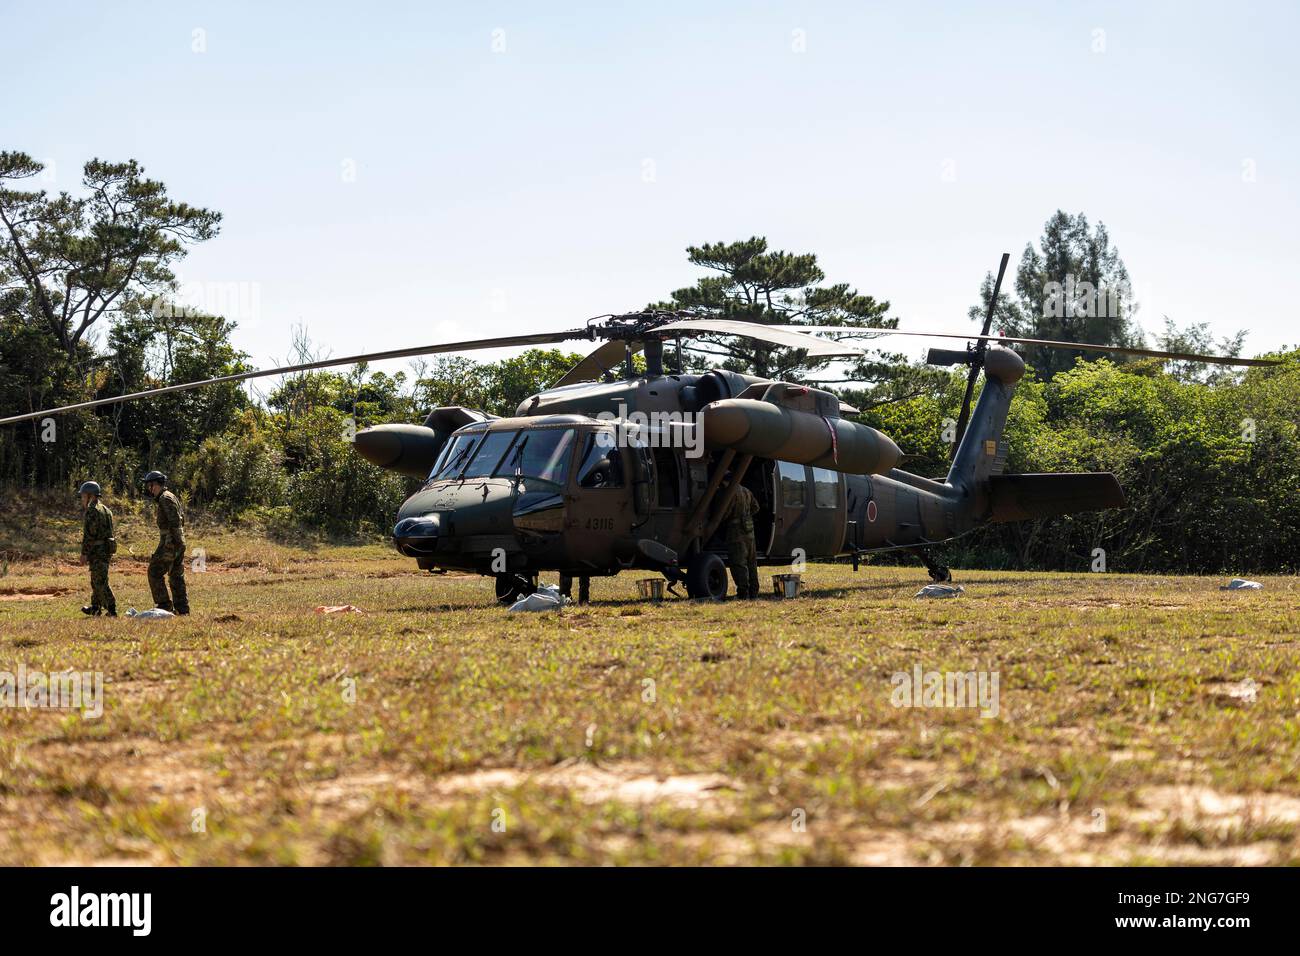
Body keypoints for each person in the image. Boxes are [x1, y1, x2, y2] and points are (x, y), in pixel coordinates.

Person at [142, 470, 190, 614]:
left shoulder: (164, 498)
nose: (148, 489)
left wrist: (172, 545)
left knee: (154, 571)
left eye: (148, 485)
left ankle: (164, 605)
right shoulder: (170, 496)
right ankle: (182, 610)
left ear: (154, 485)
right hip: (176, 541)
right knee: (176, 576)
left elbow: (175, 522)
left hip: (170, 542)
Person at [78, 481, 117, 617]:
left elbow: (90, 536)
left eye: (83, 496)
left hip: (98, 551)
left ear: (90, 496)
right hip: (106, 549)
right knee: (97, 579)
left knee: (100, 581)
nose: (82, 499)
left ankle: (111, 609)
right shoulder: (106, 510)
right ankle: (95, 607)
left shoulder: (92, 511)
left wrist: (84, 553)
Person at [723, 474, 760, 599]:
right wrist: (746, 517)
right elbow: (756, 507)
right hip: (750, 533)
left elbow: (725, 512)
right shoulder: (746, 490)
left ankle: (743, 593)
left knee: (739, 562)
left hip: (736, 533)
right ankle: (754, 591)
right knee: (751, 562)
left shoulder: (730, 493)